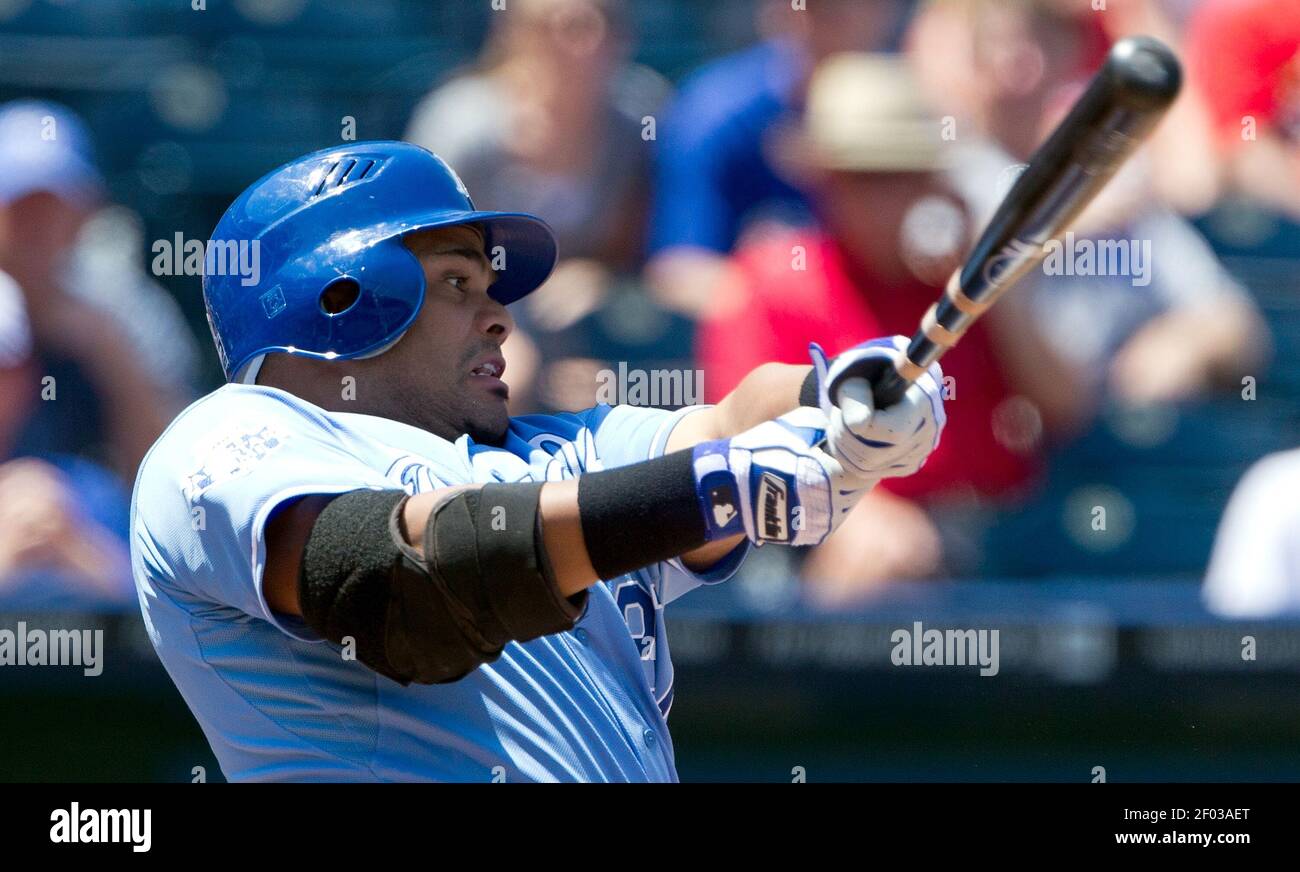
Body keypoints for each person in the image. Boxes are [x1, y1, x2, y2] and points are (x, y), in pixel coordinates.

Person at [130, 142, 947, 782]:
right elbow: (393, 582)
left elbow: (732, 419)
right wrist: (708, 492)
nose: (500, 320)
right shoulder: (224, 437)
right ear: (338, 295)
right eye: (457, 283)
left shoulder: (549, 450)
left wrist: (844, 388)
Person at [697, 54, 1082, 601]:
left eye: (903, 176)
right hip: (828, 542)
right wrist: (857, 510)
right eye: (863, 178)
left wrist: (990, 278)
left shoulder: (962, 288)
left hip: (997, 549)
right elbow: (737, 438)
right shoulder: (772, 278)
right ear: (825, 184)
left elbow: (1064, 407)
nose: (885, 199)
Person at [645, 0, 905, 316]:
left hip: (895, 338)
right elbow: (679, 270)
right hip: (767, 344)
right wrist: (792, 302)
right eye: (815, 7)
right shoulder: (716, 111)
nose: (835, 19)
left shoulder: (915, 112)